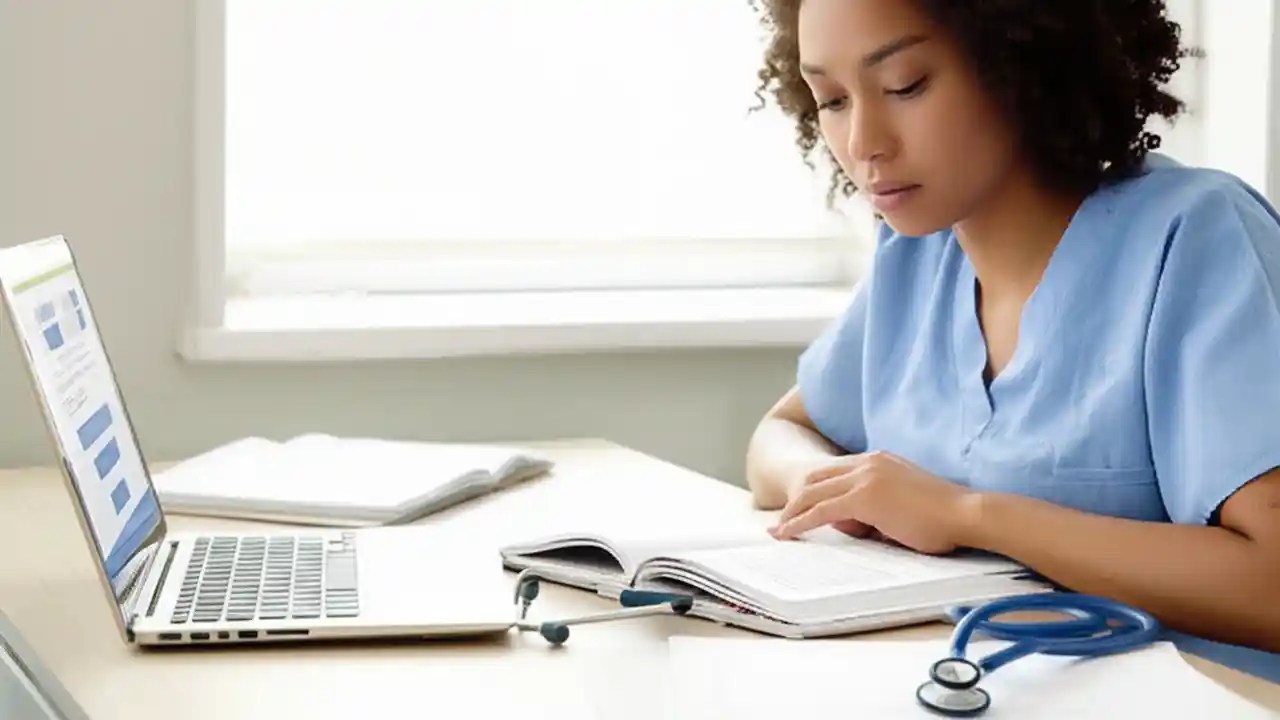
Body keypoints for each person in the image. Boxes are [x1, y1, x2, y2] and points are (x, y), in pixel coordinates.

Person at [743, 0, 1280, 667]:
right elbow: (779, 434)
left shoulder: (1196, 237)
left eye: (906, 85)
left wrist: (966, 514)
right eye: (831, 99)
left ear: (1021, 62)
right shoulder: (916, 257)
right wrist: (829, 487)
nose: (863, 143)